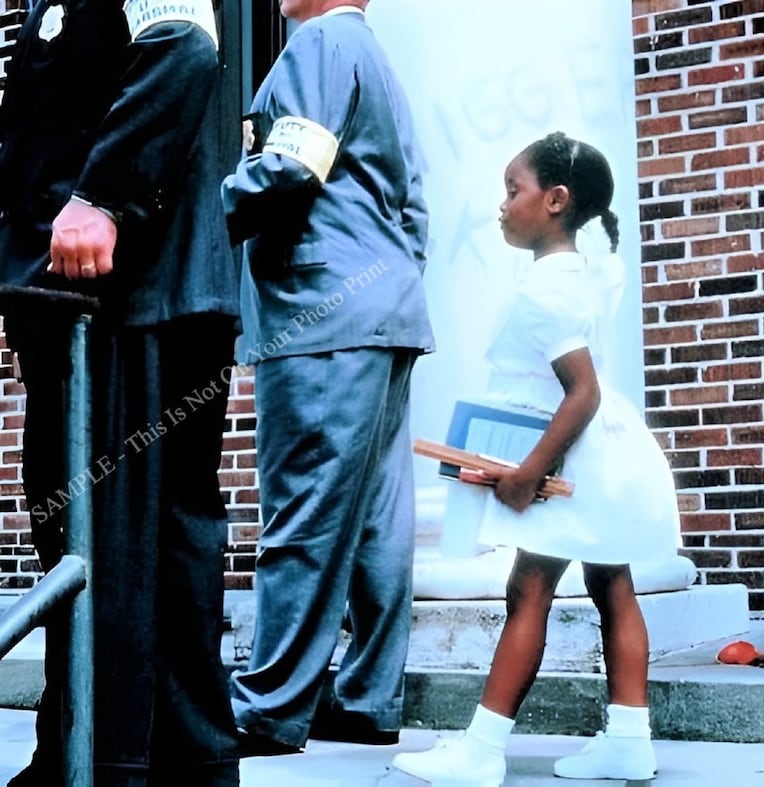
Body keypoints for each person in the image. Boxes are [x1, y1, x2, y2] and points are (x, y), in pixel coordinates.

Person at [0, 1, 241, 785]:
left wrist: (102, 195)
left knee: (110, 544)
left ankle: (103, 765)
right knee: (145, 547)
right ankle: (164, 763)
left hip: (126, 302)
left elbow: (185, 45)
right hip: (127, 302)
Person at [391, 132, 680, 785]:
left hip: (569, 453)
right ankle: (630, 738)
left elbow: (581, 391)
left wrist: (528, 474)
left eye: (512, 190)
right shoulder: (591, 270)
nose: (501, 204)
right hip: (606, 453)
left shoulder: (545, 289)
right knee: (614, 585)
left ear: (555, 200)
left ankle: (482, 749)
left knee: (529, 590)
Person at [220, 0, 433, 756]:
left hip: (320, 312)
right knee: (378, 518)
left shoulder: (317, 43)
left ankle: (269, 706)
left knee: (303, 510)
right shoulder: (374, 59)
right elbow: (413, 207)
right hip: (386, 311)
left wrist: (200, 208)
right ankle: (369, 697)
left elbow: (289, 166)